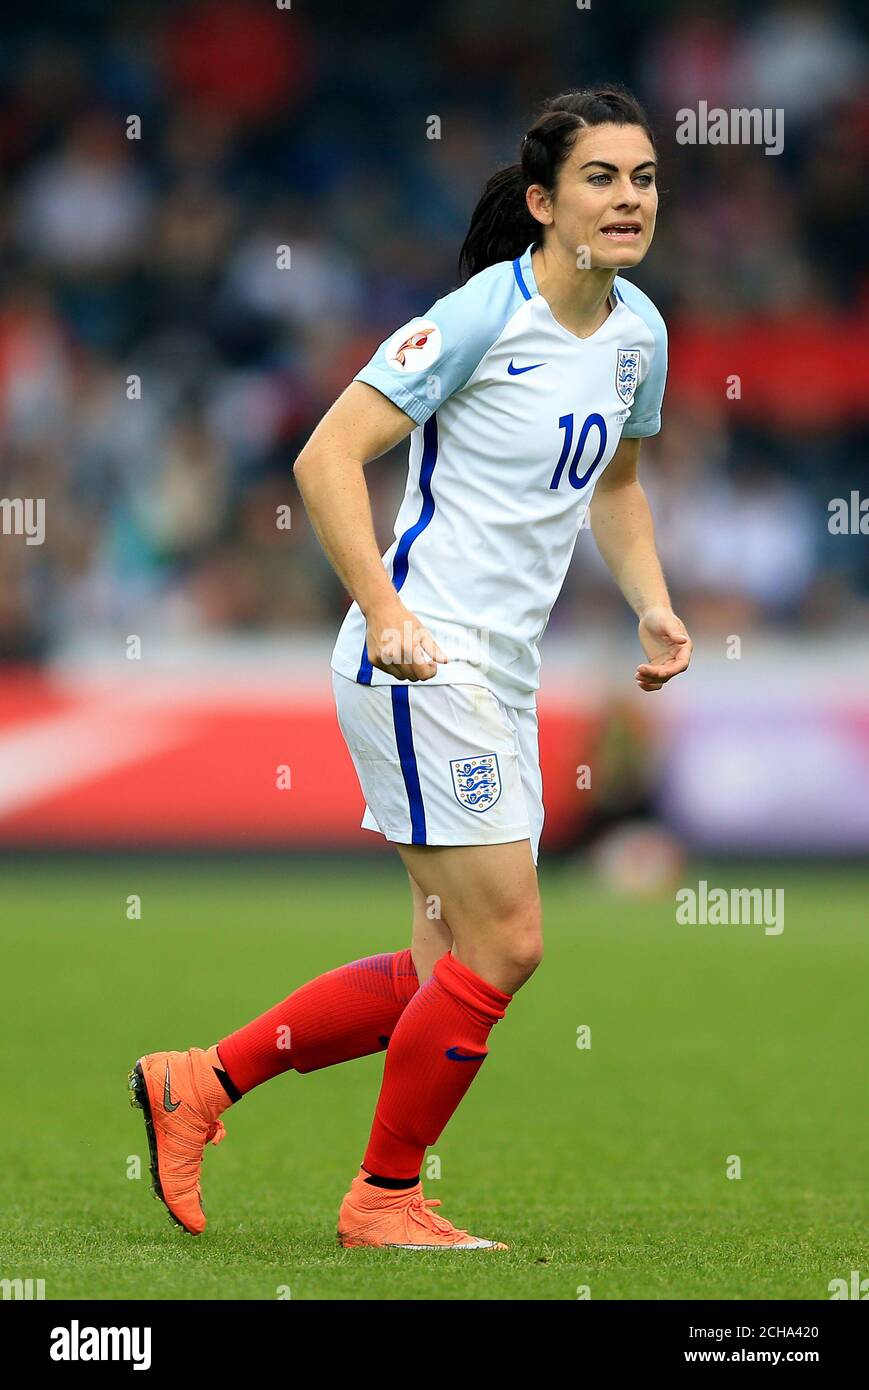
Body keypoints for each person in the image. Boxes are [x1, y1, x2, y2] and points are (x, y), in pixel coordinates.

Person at [129, 84, 692, 1251]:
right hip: (421, 656)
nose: (627, 197)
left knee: (442, 964)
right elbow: (325, 453)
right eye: (600, 177)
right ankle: (383, 1198)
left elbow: (620, 485)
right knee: (509, 944)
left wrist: (652, 605)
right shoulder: (481, 317)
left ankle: (200, 1081)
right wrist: (381, 608)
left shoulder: (638, 330)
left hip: (500, 672)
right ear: (542, 202)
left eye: (640, 177)